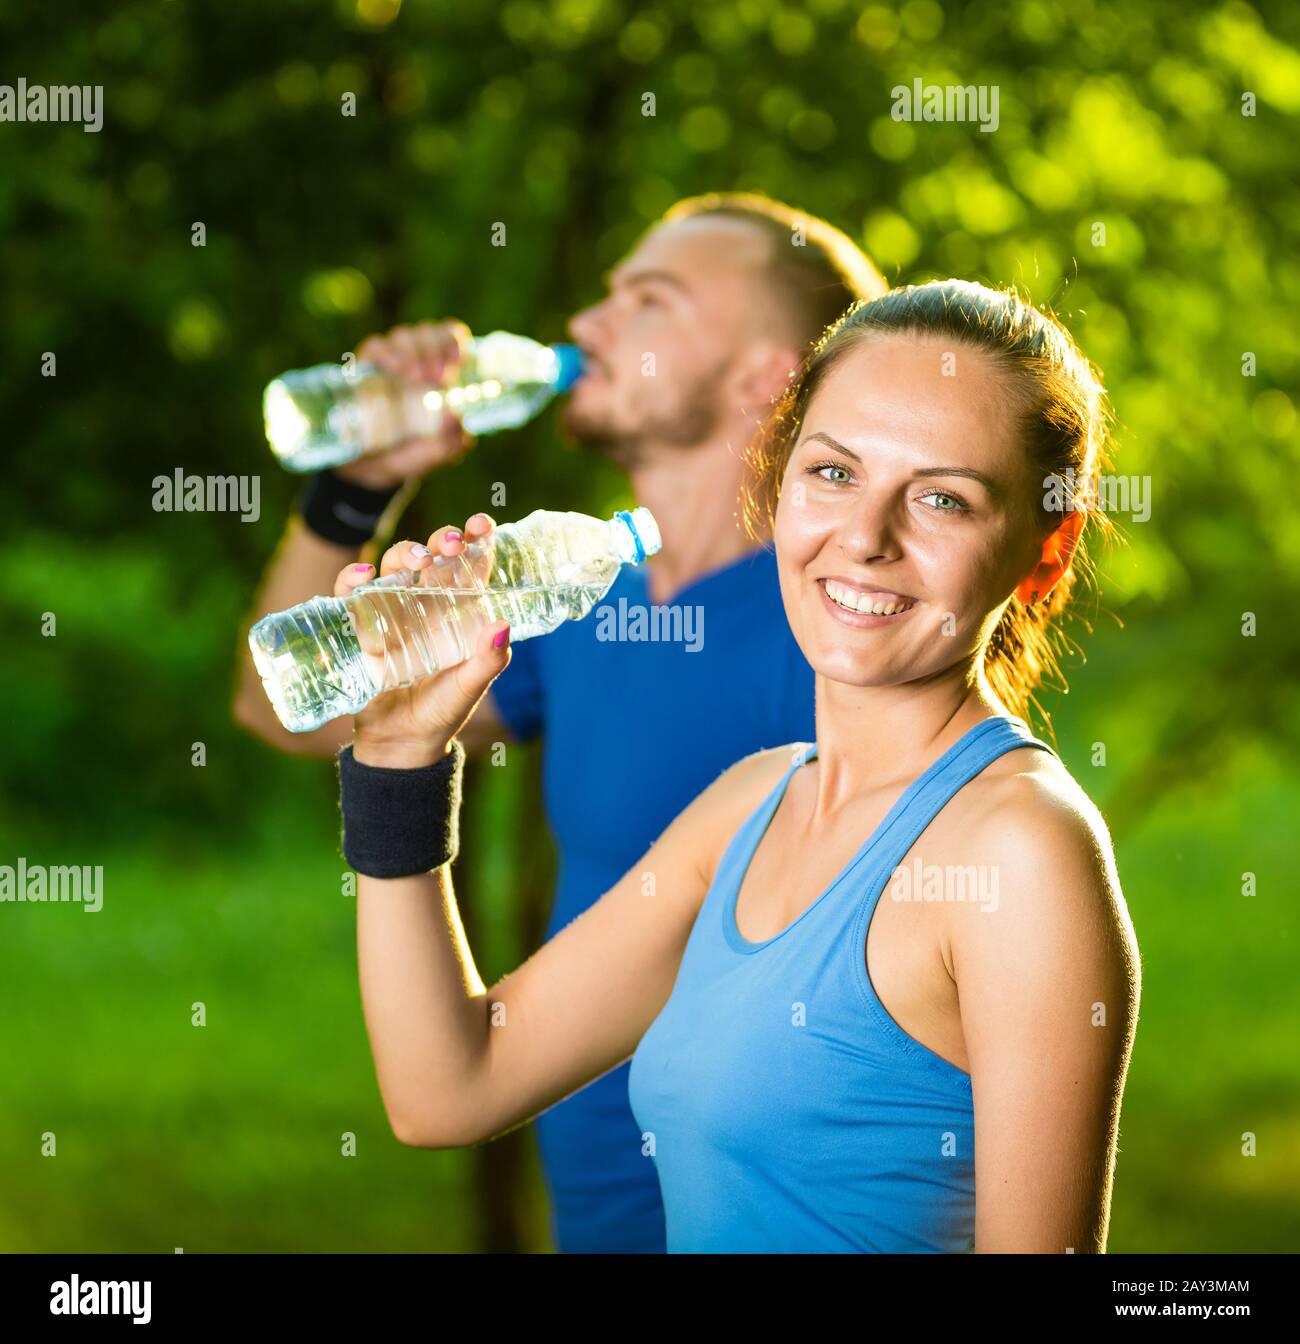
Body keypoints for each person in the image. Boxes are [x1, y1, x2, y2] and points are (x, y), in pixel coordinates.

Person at [321, 278, 1143, 1253]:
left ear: (1042, 555)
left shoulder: (1018, 852)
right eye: (833, 474)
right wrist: (399, 760)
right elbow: (448, 1087)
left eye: (941, 498)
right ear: (779, 480)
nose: (864, 539)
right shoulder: (751, 803)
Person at [233, 192, 889, 1252]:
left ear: (765, 376)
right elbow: (279, 706)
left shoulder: (844, 629)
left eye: (648, 301)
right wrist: (357, 484)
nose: (587, 324)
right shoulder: (583, 595)